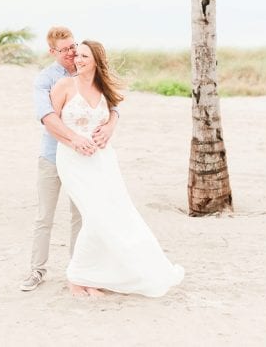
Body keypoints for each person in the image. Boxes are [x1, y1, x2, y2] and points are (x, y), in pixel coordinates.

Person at [50, 40, 185, 297]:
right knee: (95, 215)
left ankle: (94, 274)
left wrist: (111, 126)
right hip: (72, 159)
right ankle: (77, 277)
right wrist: (73, 140)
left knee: (115, 213)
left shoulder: (103, 87)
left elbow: (114, 111)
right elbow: (50, 122)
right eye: (77, 55)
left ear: (97, 60)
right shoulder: (64, 85)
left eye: (85, 56)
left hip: (103, 160)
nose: (78, 60)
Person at [20, 27, 119, 292]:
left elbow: (111, 105)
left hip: (85, 160)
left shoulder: (87, 71)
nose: (72, 53)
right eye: (65, 49)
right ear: (52, 52)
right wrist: (74, 139)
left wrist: (110, 126)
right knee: (45, 216)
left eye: (73, 46)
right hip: (53, 156)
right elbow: (47, 117)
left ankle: (78, 271)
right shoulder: (46, 79)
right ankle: (37, 270)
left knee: (81, 216)